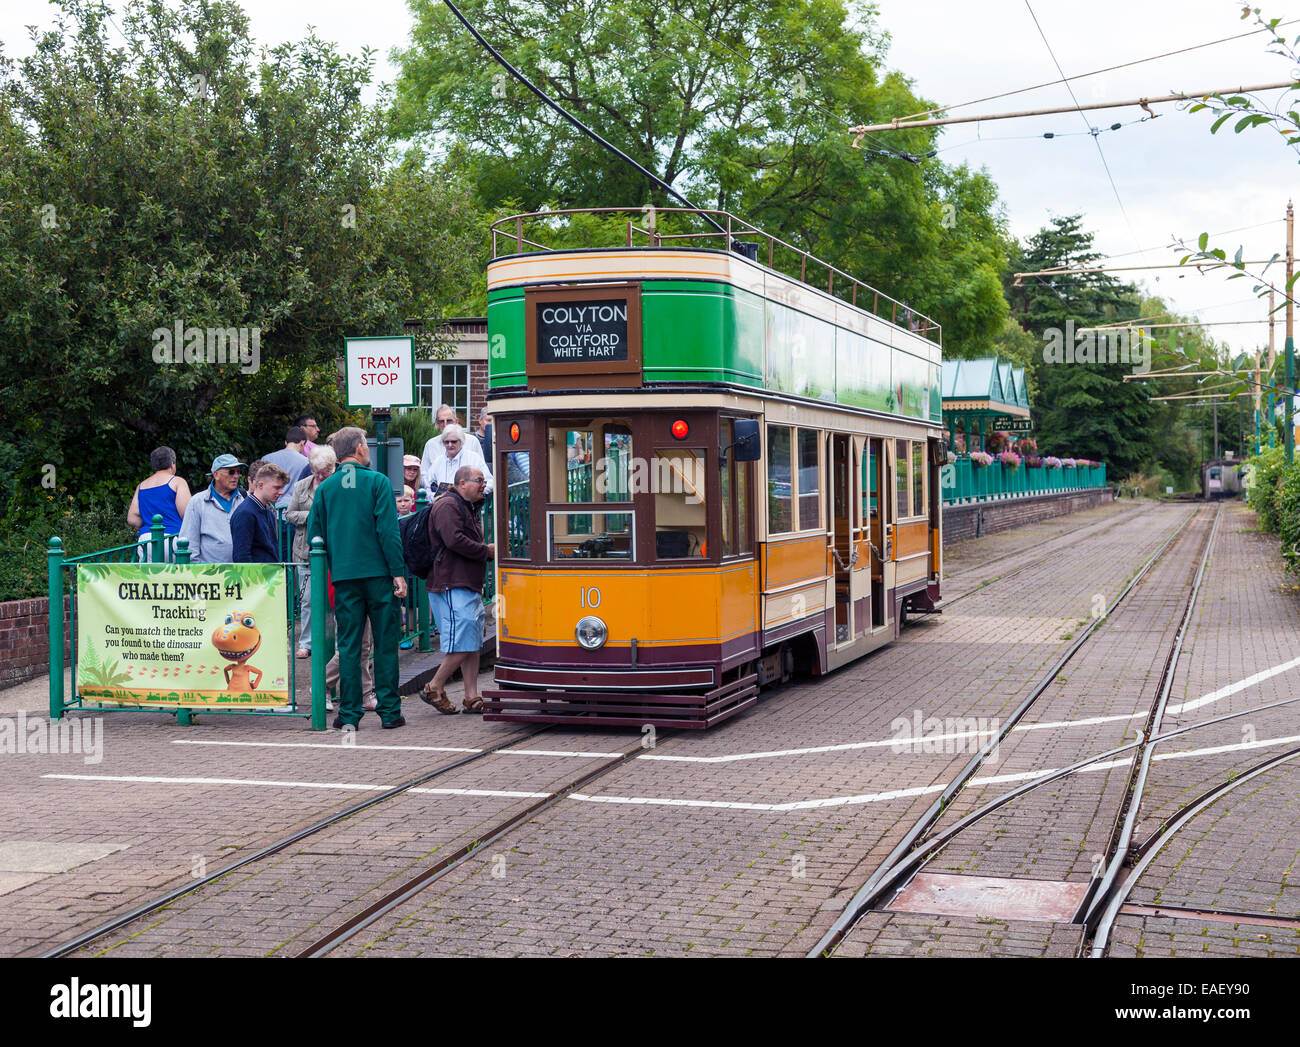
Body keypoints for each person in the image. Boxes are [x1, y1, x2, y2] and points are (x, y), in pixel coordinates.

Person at [306, 427, 407, 730]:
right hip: (378, 575)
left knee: (348, 646)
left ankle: (348, 714)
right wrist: (398, 573)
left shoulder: (325, 488)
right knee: (385, 645)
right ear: (360, 448)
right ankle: (389, 712)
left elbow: (314, 537)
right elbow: (388, 534)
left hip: (345, 577)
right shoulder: (378, 482)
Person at [421, 465, 495, 715]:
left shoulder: (468, 506)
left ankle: (471, 696)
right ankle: (434, 685)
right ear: (462, 483)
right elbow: (453, 540)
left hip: (466, 582)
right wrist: (486, 551)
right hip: (451, 582)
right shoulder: (448, 505)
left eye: (484, 480)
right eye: (479, 480)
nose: (483, 484)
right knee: (462, 641)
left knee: (472, 641)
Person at [286, 445, 336, 657]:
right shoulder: (301, 486)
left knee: (335, 598)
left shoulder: (339, 485)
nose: (320, 475)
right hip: (304, 550)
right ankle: (306, 642)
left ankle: (335, 643)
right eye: (317, 471)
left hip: (333, 550)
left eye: (325, 471)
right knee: (307, 599)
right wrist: (312, 517)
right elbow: (289, 514)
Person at [178, 454, 247, 563]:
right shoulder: (198, 501)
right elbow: (189, 542)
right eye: (231, 472)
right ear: (216, 474)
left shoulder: (245, 499)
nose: (236, 476)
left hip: (242, 572)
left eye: (238, 472)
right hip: (210, 575)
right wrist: (198, 573)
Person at [127, 447, 191, 561]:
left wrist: (147, 523)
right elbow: (187, 514)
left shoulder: (141, 486)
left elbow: (132, 519)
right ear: (172, 464)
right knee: (177, 577)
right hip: (172, 538)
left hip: (146, 540)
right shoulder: (177, 482)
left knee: (151, 577)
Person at [231, 463, 289, 563]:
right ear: (260, 485)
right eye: (276, 487)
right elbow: (241, 557)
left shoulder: (268, 511)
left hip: (269, 576)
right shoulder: (245, 513)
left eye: (282, 488)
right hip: (255, 577)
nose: (281, 492)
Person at [419, 404, 483, 493]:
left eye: (449, 421)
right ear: (436, 424)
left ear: (456, 421)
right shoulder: (431, 445)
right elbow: (424, 475)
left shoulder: (472, 441)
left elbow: (482, 475)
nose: (445, 425)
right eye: (441, 421)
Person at [427, 424, 494, 498]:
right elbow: (427, 485)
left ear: (461, 441)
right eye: (446, 442)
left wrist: (471, 492)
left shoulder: (474, 458)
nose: (450, 445)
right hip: (443, 505)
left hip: (468, 506)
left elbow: (490, 483)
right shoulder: (438, 461)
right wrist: (434, 496)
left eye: (453, 442)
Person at [262, 427, 309, 509]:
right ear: (303, 443)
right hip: (291, 512)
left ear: (286, 442)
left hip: (269, 510)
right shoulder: (306, 462)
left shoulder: (266, 459)